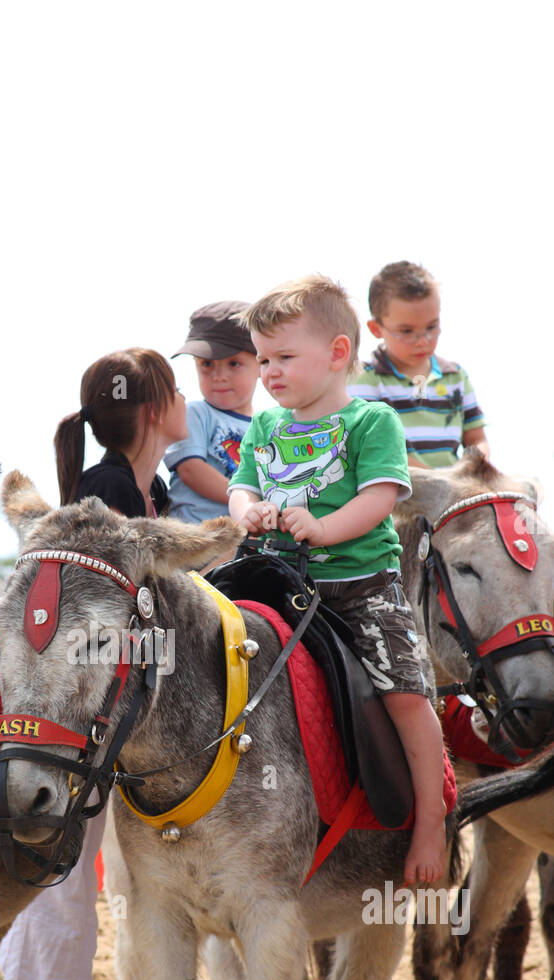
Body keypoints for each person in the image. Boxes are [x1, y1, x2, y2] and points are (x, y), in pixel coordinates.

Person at [0, 348, 188, 980]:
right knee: (59, 904)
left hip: (116, 731)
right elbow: (76, 638)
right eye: (177, 393)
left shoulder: (155, 491)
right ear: (153, 412)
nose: (189, 405)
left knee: (78, 902)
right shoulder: (107, 500)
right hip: (77, 728)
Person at [227, 274, 446, 886]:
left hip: (358, 587)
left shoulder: (370, 422)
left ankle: (430, 820)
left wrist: (322, 529)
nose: (268, 372)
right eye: (262, 359)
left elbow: (381, 497)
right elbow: (241, 485)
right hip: (274, 584)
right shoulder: (265, 429)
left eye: (284, 357)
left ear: (338, 353)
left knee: (405, 693)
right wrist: (249, 512)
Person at [348, 261, 489, 468]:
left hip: (454, 490)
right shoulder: (364, 378)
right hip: (399, 491)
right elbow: (378, 448)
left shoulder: (455, 377)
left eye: (432, 327)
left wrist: (475, 464)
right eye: (407, 331)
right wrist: (439, 480)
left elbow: (476, 438)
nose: (423, 340)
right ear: (376, 328)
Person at [164, 301, 260, 524]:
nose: (219, 376)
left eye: (234, 363)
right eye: (207, 364)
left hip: (242, 539)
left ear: (261, 364)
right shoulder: (197, 413)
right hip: (197, 535)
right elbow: (191, 470)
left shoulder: (268, 424)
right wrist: (248, 503)